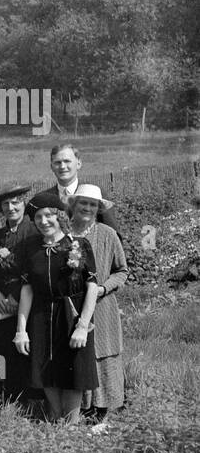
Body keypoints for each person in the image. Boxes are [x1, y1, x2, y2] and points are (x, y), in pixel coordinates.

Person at [15, 201, 99, 423]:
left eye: (48, 215)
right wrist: (21, 330)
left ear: (60, 216)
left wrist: (83, 326)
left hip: (72, 314)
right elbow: (27, 289)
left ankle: (71, 423)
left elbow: (91, 287)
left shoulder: (79, 245)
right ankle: (55, 417)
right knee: (45, 365)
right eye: (38, 217)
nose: (43, 221)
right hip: (42, 314)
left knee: (74, 369)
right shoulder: (31, 249)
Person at [67, 184, 127, 430]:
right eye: (84, 203)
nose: (88, 208)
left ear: (99, 209)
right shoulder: (64, 233)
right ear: (74, 204)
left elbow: (122, 271)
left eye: (93, 205)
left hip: (102, 305)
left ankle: (105, 413)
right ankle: (79, 410)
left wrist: (103, 288)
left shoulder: (107, 234)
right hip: (70, 305)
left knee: (103, 353)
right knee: (77, 353)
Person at [0, 183, 38, 407]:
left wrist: (15, 296)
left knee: (24, 351)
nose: (11, 207)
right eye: (6, 204)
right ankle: (2, 396)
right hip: (1, 306)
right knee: (1, 351)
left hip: (26, 302)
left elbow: (34, 269)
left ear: (24, 203)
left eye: (16, 202)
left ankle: (28, 400)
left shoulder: (34, 232)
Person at [32, 144, 121, 235]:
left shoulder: (95, 193)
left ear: (78, 164)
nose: (62, 166)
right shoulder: (43, 199)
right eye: (57, 162)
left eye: (67, 161)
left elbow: (112, 234)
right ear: (51, 167)